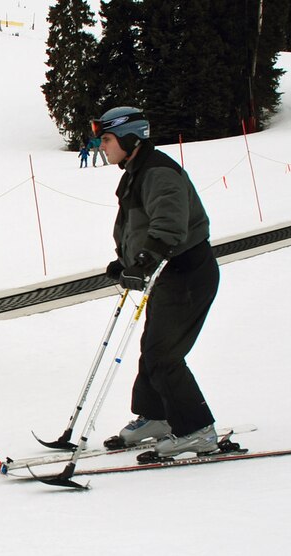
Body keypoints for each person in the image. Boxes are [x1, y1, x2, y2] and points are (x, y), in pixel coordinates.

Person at [94, 106, 220, 458]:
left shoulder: (158, 173)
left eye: (107, 139)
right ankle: (158, 417)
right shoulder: (137, 172)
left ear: (129, 139)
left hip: (188, 273)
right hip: (170, 274)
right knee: (153, 347)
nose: (102, 146)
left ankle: (198, 430)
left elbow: (169, 225)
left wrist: (145, 261)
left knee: (164, 355)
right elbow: (138, 227)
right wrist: (127, 263)